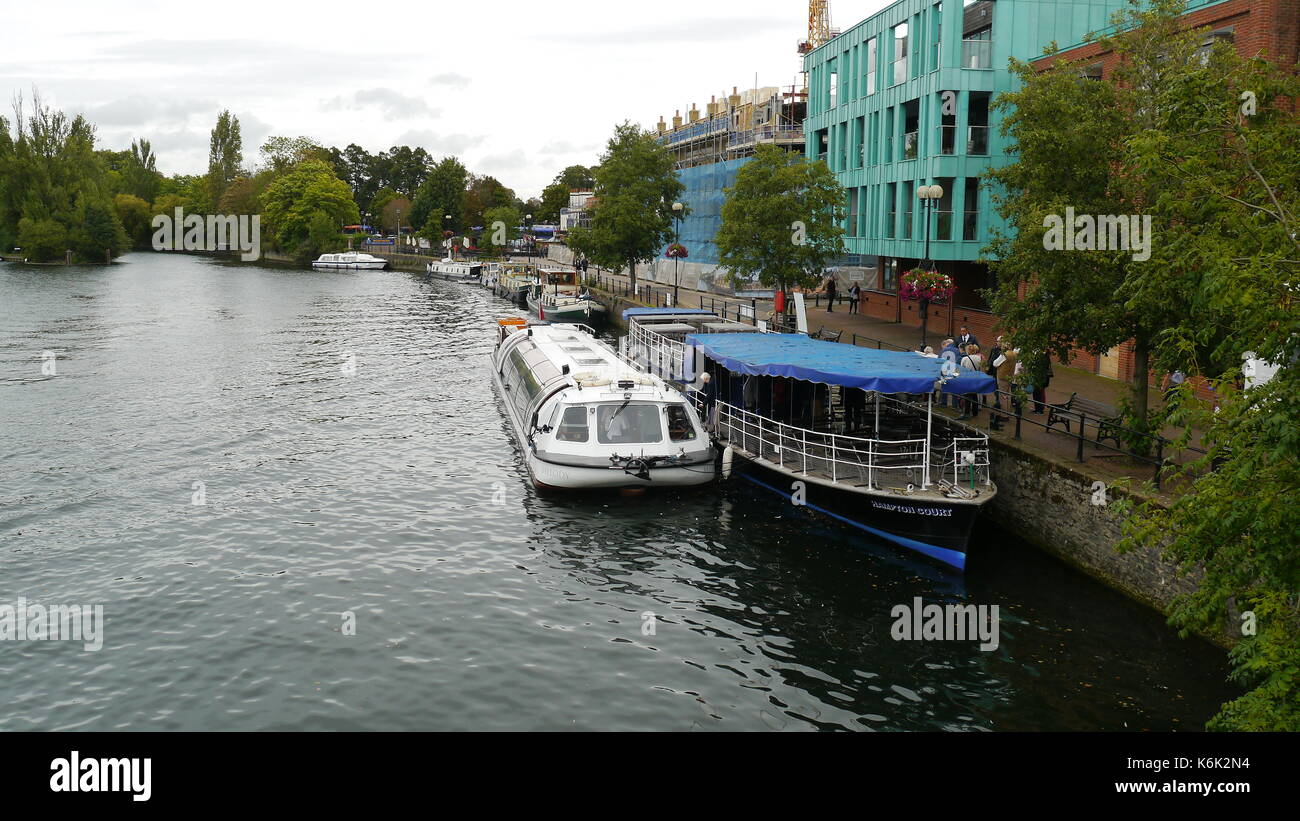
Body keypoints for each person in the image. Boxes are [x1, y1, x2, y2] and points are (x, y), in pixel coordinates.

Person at [957, 344, 983, 420]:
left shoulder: (965, 358)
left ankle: (966, 413)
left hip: (968, 379)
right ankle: (975, 412)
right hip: (976, 378)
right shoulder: (979, 358)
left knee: (967, 396)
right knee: (974, 396)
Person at [985, 335, 1005, 410]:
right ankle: (997, 401)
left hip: (999, 372)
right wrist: (987, 366)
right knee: (995, 387)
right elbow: (990, 358)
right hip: (993, 371)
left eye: (998, 341)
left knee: (998, 387)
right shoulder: (994, 348)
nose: (997, 342)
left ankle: (998, 402)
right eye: (997, 341)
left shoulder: (1003, 352)